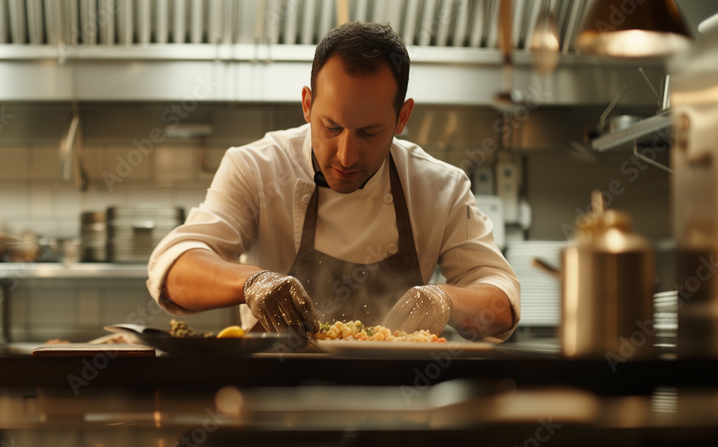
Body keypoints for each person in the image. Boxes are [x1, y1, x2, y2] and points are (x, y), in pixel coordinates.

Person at [146, 22, 520, 343]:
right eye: (332, 127)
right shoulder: (256, 168)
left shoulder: (441, 187)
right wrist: (254, 282)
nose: (345, 155)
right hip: (273, 403)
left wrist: (446, 300)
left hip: (396, 402)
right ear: (307, 104)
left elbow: (501, 299)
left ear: (402, 117)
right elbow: (174, 268)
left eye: (369, 132)